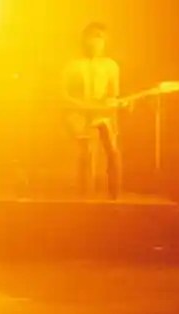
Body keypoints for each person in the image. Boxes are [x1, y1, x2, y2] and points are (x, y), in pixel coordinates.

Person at [63, 22, 124, 199]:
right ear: (84, 40)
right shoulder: (72, 66)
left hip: (105, 114)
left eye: (99, 38)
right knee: (87, 153)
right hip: (81, 114)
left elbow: (115, 94)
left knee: (113, 151)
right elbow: (63, 93)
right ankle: (86, 196)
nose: (95, 42)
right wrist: (80, 106)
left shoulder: (111, 66)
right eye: (91, 37)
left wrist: (113, 102)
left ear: (105, 41)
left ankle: (115, 195)